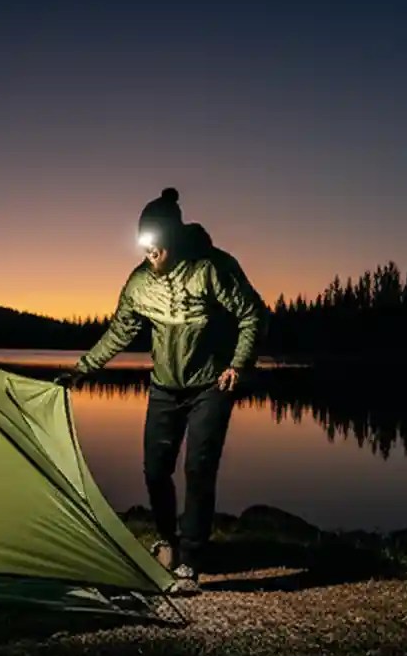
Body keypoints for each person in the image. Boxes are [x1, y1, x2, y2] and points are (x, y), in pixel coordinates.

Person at [54, 187, 267, 594]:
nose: (151, 257)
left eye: (157, 248)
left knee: (199, 469)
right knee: (155, 470)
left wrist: (238, 366)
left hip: (211, 384)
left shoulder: (211, 269)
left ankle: (190, 561)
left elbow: (252, 314)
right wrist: (79, 372)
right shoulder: (139, 284)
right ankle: (168, 542)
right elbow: (118, 333)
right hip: (165, 389)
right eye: (145, 249)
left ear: (172, 240)